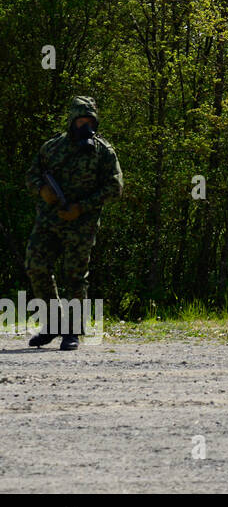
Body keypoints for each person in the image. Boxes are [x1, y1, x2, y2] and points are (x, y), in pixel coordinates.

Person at [24, 96, 124, 350]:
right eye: (81, 120)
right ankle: (52, 324)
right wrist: (41, 190)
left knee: (75, 276)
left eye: (90, 120)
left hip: (82, 224)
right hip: (48, 220)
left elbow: (115, 187)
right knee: (36, 267)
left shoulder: (103, 151)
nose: (85, 125)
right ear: (71, 121)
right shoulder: (51, 148)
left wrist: (82, 207)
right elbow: (32, 175)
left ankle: (73, 331)